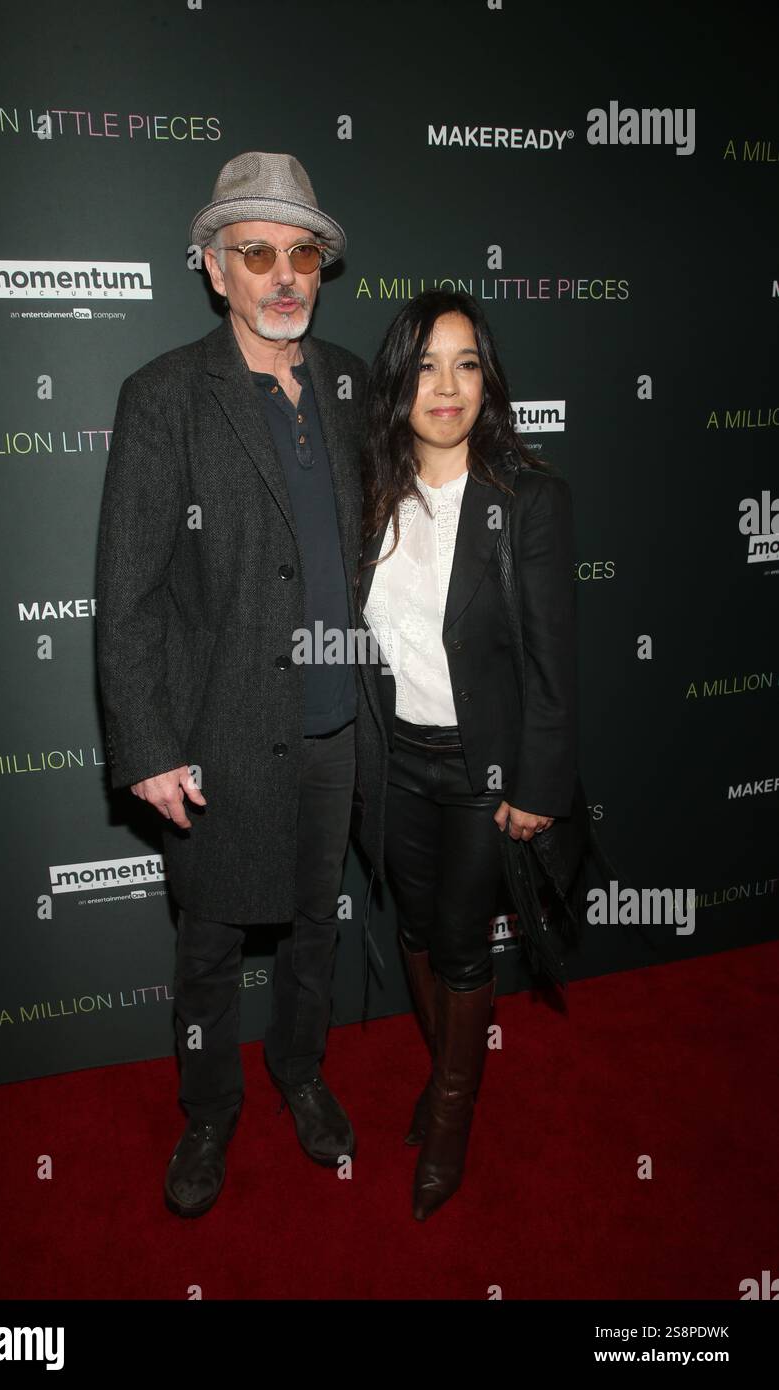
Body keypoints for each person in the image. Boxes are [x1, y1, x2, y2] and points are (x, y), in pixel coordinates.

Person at [95, 151, 387, 1218]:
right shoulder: (165, 395)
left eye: (300, 252)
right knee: (210, 941)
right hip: (216, 735)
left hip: (334, 723)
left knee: (317, 921)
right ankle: (208, 1106)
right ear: (215, 270)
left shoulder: (352, 384)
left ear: (320, 267)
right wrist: (148, 744)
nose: (282, 274)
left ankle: (298, 1070)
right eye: (255, 252)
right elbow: (125, 593)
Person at [358, 289, 577, 1220]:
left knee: (460, 947)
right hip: (394, 758)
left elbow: (551, 662)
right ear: (399, 381)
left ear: (488, 380)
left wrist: (536, 784)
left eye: (467, 363)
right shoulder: (369, 491)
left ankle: (450, 1111)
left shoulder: (528, 499)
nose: (445, 386)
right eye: (426, 365)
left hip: (484, 771)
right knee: (414, 930)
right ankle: (445, 1069)